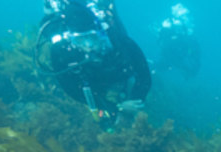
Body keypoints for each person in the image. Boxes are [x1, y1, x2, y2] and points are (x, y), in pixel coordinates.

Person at [35, 0, 151, 128]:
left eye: (92, 38)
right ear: (72, 40)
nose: (88, 46)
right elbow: (70, 88)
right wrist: (116, 108)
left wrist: (135, 100)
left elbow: (144, 74)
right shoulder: (62, 51)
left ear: (100, 33)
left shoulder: (116, 38)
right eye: (80, 40)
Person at [155, 4, 202, 79]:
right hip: (174, 53)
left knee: (166, 64)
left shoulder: (173, 27)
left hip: (173, 52)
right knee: (167, 64)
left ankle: (154, 69)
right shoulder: (178, 31)